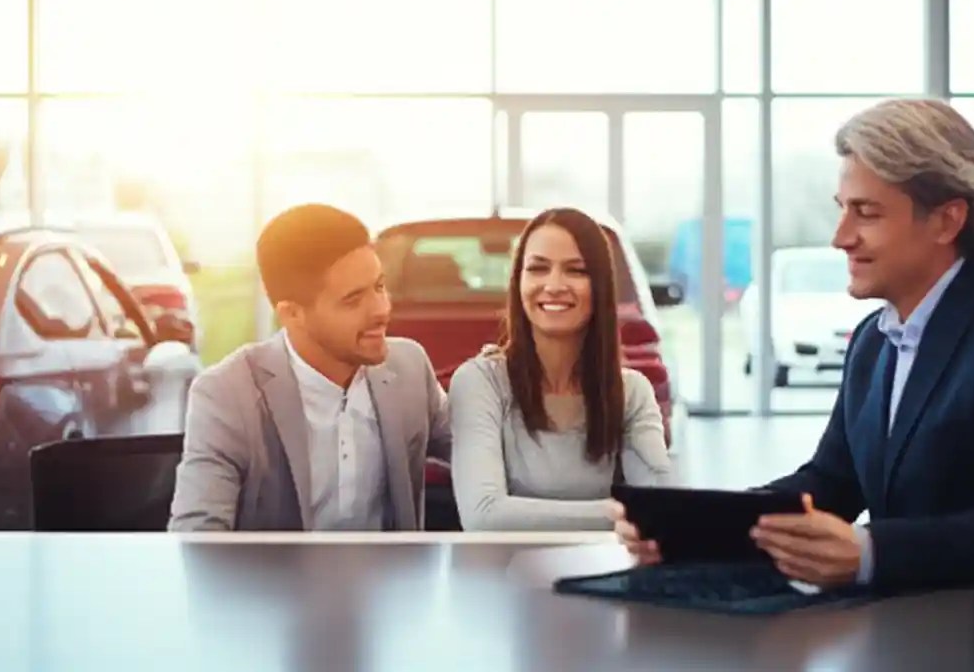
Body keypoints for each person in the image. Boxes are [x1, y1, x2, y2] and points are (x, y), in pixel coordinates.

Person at [612, 98, 974, 592]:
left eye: (866, 213)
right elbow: (831, 483)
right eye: (842, 210)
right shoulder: (875, 341)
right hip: (921, 630)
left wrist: (870, 553)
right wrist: (696, 529)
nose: (840, 237)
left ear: (946, 220)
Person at [169, 204, 451, 531]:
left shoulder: (409, 367)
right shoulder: (226, 394)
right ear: (292, 314)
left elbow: (483, 458)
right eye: (353, 300)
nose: (382, 310)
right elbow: (196, 539)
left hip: (394, 580)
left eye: (379, 286)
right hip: (274, 582)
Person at [450, 207, 673, 531]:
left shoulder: (631, 392)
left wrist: (642, 514)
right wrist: (618, 514)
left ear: (600, 285)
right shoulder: (481, 382)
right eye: (538, 269)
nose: (554, 285)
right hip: (504, 575)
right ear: (518, 282)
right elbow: (483, 515)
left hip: (602, 573)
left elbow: (660, 504)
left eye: (576, 270)